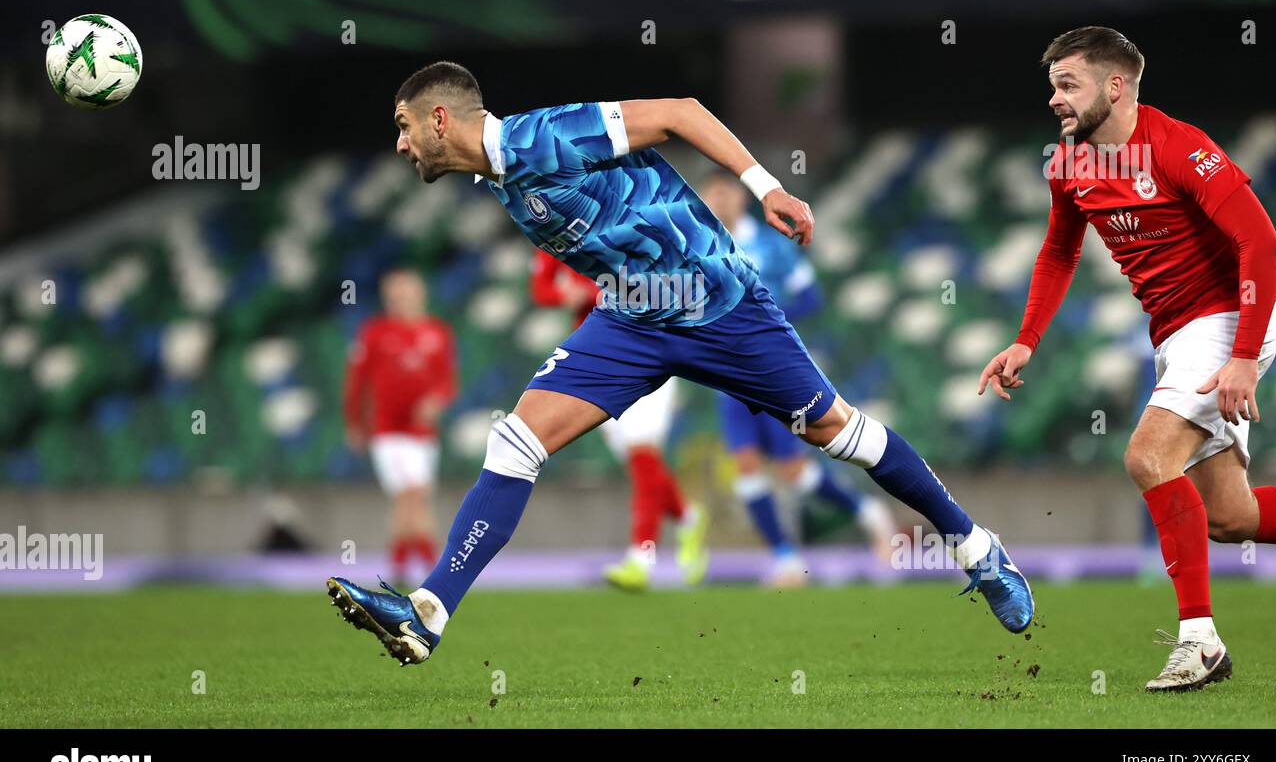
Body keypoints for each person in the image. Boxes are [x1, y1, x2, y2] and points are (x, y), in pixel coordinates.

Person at [328, 61, 1033, 666]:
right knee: (516, 439)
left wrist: (766, 189)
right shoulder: (503, 176)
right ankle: (428, 612)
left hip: (719, 304)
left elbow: (679, 113)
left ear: (440, 118)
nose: (400, 143)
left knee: (837, 434)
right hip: (632, 318)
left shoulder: (542, 135)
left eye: (403, 125)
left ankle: (976, 547)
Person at [979, 26, 1276, 692]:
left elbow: (1261, 245)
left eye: (1068, 85)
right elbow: (1059, 252)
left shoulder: (1179, 147)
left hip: (1227, 321)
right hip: (1174, 337)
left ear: (1115, 86)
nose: (1055, 101)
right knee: (1231, 518)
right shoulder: (1068, 163)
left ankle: (1200, 644)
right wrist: (1026, 339)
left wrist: (1241, 357)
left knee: (1147, 457)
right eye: (1052, 87)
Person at [700, 174, 896, 586]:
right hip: (727, 374)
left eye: (726, 191)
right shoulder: (698, 245)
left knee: (794, 471)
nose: (719, 199)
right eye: (711, 193)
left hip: (772, 368)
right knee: (747, 466)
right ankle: (786, 559)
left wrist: (771, 317)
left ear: (740, 197)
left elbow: (810, 296)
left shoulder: (770, 245)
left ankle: (868, 512)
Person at [529, 248, 708, 590]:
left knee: (641, 454)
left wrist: (598, 292)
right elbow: (540, 288)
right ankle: (687, 518)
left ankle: (642, 558)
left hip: (649, 347)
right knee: (642, 461)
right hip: (596, 357)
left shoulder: (627, 219)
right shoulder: (552, 229)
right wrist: (564, 294)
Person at [343, 267, 457, 584]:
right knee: (412, 494)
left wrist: (436, 401)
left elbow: (448, 383)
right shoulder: (374, 333)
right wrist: (354, 422)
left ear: (420, 293)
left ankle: (400, 566)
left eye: (406, 291)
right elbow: (356, 382)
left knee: (411, 500)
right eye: (394, 293)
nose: (400, 298)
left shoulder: (438, 332)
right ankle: (437, 570)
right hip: (388, 431)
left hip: (422, 433)